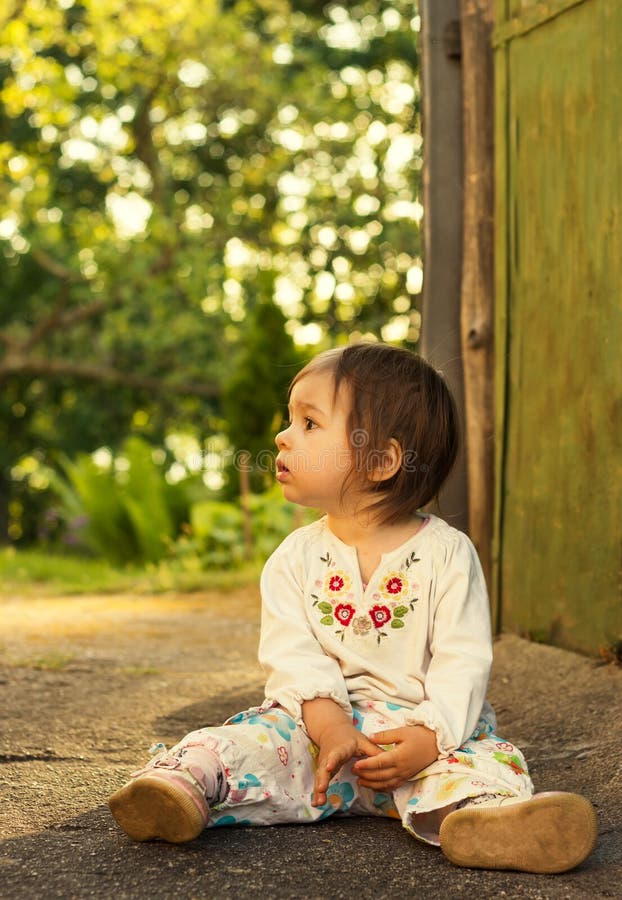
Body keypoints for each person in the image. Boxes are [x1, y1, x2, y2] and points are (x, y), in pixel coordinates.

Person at [109, 342, 597, 873]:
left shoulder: (446, 554)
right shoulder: (292, 559)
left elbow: (464, 658)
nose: (283, 435)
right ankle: (183, 786)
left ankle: (486, 822)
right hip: (320, 742)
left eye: (309, 423)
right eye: (289, 419)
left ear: (383, 460)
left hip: (416, 747)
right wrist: (330, 726)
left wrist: (429, 738)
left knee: (486, 765)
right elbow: (291, 655)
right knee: (244, 742)